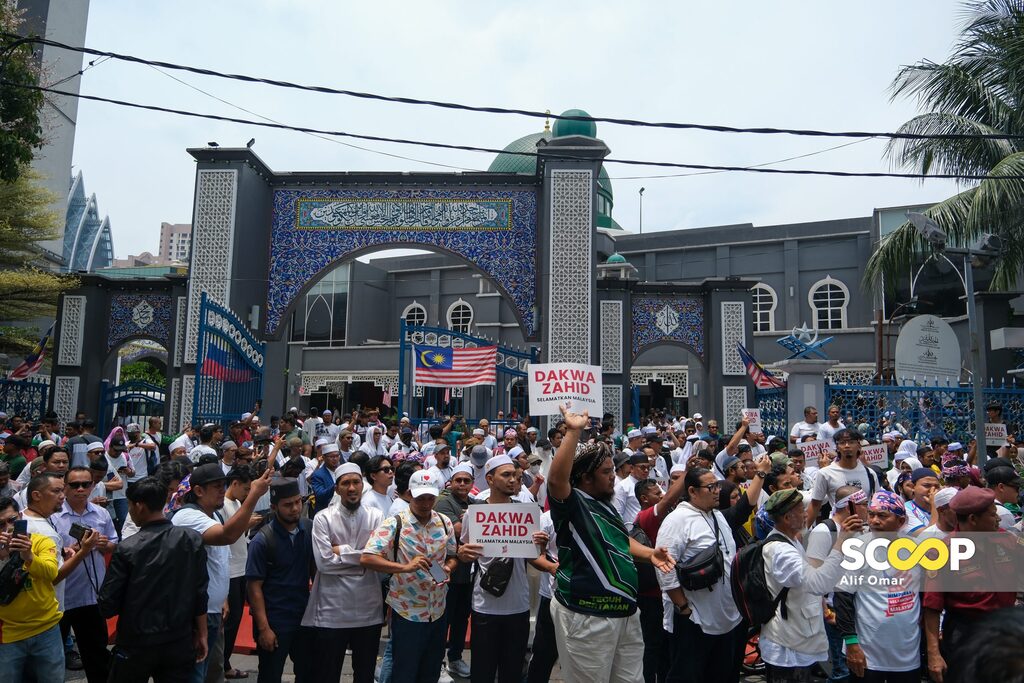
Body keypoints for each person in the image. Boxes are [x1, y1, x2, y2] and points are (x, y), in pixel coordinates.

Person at [545, 404, 674, 683]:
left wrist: (650, 554)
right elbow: (556, 480)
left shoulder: (606, 507)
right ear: (585, 478)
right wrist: (573, 431)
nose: (613, 476)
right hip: (587, 616)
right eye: (605, 472)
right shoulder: (573, 504)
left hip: (625, 614)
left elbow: (620, 541)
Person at [99, 477, 209, 683]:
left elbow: (108, 603)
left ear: (139, 506)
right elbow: (200, 592)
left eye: (131, 505)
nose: (130, 510)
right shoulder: (191, 539)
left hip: (136, 642)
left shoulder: (128, 548)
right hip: (179, 637)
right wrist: (202, 633)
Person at [455, 455, 554, 683]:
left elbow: (533, 557)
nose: (513, 481)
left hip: (518, 605)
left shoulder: (528, 514)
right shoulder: (474, 514)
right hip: (485, 605)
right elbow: (467, 552)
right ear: (490, 479)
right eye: (506, 475)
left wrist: (539, 544)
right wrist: (462, 555)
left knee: (512, 670)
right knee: (482, 670)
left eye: (515, 476)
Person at [172, 462, 272, 683]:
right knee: (195, 673)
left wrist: (223, 597)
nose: (222, 491)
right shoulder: (187, 517)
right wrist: (254, 494)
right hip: (195, 614)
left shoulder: (212, 515)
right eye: (217, 486)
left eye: (223, 485)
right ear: (198, 491)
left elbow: (216, 562)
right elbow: (227, 536)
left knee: (213, 671)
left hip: (213, 610)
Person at [361, 470, 458, 683]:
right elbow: (367, 558)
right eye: (420, 498)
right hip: (408, 612)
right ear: (409, 494)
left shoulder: (443, 522)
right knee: (404, 671)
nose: (425, 503)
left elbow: (452, 556)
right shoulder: (395, 523)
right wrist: (404, 567)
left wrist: (449, 568)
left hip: (438, 610)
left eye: (430, 498)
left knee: (431, 671)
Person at [760, 488, 863, 682]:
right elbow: (818, 584)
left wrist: (824, 607)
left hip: (798, 639)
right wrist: (841, 540)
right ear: (787, 518)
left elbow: (806, 581)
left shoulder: (792, 542)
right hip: (787, 649)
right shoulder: (781, 551)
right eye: (801, 510)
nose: (807, 514)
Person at [657, 467, 744, 683]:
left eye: (717, 485)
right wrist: (684, 608)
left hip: (725, 616)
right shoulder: (678, 520)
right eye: (710, 487)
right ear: (693, 491)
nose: (717, 491)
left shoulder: (717, 516)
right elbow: (664, 568)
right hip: (694, 619)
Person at [922, 487, 1016, 683]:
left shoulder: (1007, 541)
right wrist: (934, 654)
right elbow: (932, 606)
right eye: (992, 515)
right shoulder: (942, 553)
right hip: (965, 634)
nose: (998, 519)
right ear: (973, 519)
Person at [301, 463, 383, 683]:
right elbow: (325, 563)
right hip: (332, 611)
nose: (352, 488)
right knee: (327, 674)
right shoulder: (323, 518)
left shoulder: (376, 516)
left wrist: (341, 550)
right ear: (337, 489)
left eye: (356, 482)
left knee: (364, 674)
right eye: (346, 483)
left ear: (362, 485)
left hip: (368, 609)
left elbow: (381, 558)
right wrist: (364, 558)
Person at [835, 491, 921, 683]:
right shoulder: (857, 548)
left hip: (907, 655)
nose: (874, 521)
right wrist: (851, 643)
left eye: (882, 516)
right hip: (867, 656)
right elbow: (842, 597)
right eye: (871, 514)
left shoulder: (916, 550)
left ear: (900, 521)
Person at [247, 478, 314, 683]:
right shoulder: (263, 540)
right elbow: (254, 587)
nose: (295, 508)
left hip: (304, 617)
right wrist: (264, 629)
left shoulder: (309, 529)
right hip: (275, 620)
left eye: (297, 502)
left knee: (308, 672)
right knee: (270, 675)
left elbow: (316, 571)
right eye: (288, 505)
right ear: (274, 507)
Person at [53, 467, 117, 683]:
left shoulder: (102, 514)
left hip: (91, 596)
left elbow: (113, 545)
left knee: (96, 654)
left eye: (86, 484)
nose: (81, 489)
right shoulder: (53, 515)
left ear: (92, 486)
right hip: (60, 597)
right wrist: (71, 550)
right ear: (65, 486)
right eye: (74, 485)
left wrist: (103, 544)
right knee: (52, 656)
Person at [805, 486, 869, 683]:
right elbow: (813, 574)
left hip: (856, 609)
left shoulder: (862, 529)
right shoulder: (825, 531)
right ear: (850, 506)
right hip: (835, 612)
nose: (868, 509)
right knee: (842, 670)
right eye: (864, 505)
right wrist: (826, 612)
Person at [632, 468, 689, 683]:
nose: (662, 495)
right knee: (652, 647)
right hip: (651, 598)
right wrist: (687, 473)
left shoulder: (668, 518)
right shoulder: (646, 517)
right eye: (657, 493)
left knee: (665, 648)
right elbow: (668, 500)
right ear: (645, 499)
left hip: (664, 595)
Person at [0, 495, 64, 681]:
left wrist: (29, 556)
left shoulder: (42, 541)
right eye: (0, 524)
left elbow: (52, 573)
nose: (8, 528)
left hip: (46, 628)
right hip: (8, 634)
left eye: (12, 520)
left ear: (20, 516)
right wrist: (2, 559)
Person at [433, 463, 477, 679]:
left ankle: (456, 658)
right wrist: (471, 521)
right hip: (446, 572)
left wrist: (470, 520)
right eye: (458, 480)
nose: (461, 484)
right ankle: (438, 662)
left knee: (461, 618)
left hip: (468, 573)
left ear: (472, 483)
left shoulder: (474, 503)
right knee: (444, 619)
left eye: (466, 480)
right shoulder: (443, 501)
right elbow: (457, 530)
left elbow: (477, 527)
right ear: (450, 482)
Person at [222, 466, 258, 680]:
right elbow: (227, 534)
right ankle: (224, 663)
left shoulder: (236, 503)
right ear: (234, 483)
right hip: (231, 568)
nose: (246, 494)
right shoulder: (224, 505)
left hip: (241, 565)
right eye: (245, 489)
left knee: (236, 618)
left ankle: (224, 661)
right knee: (231, 620)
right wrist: (247, 522)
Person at [807, 428, 879, 527]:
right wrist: (802, 533)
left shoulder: (870, 474)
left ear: (859, 446)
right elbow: (815, 505)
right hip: (838, 529)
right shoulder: (825, 474)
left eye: (851, 442)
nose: (847, 446)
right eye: (842, 443)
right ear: (837, 447)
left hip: (865, 529)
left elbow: (876, 504)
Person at [613, 453, 650, 525]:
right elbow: (617, 514)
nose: (646, 470)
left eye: (648, 468)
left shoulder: (651, 484)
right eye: (642, 467)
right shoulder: (622, 486)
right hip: (632, 531)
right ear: (632, 468)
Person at [903, 468, 941, 535]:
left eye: (937, 486)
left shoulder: (944, 507)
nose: (933, 490)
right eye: (927, 486)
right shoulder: (906, 510)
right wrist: (934, 504)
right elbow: (928, 538)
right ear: (912, 487)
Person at [309, 442, 342, 515]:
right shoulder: (318, 475)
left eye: (337, 456)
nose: (335, 459)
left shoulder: (342, 471)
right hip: (325, 513)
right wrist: (335, 486)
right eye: (331, 457)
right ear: (324, 458)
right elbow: (320, 495)